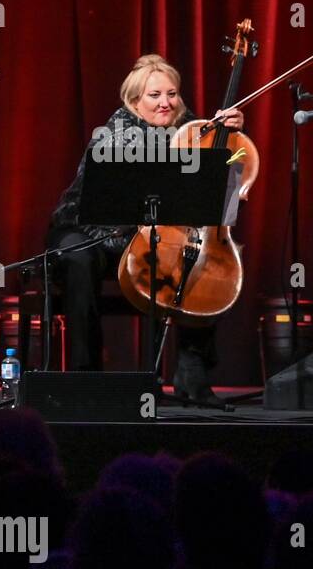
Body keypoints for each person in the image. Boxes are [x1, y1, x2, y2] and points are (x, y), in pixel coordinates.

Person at [47, 54, 242, 405]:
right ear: (135, 100)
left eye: (172, 94)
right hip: (88, 229)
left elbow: (224, 190)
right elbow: (95, 202)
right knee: (78, 259)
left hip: (151, 238)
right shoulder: (116, 131)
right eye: (154, 95)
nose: (165, 102)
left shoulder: (194, 130)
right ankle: (85, 377)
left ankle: (191, 371)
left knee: (207, 258)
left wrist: (230, 136)